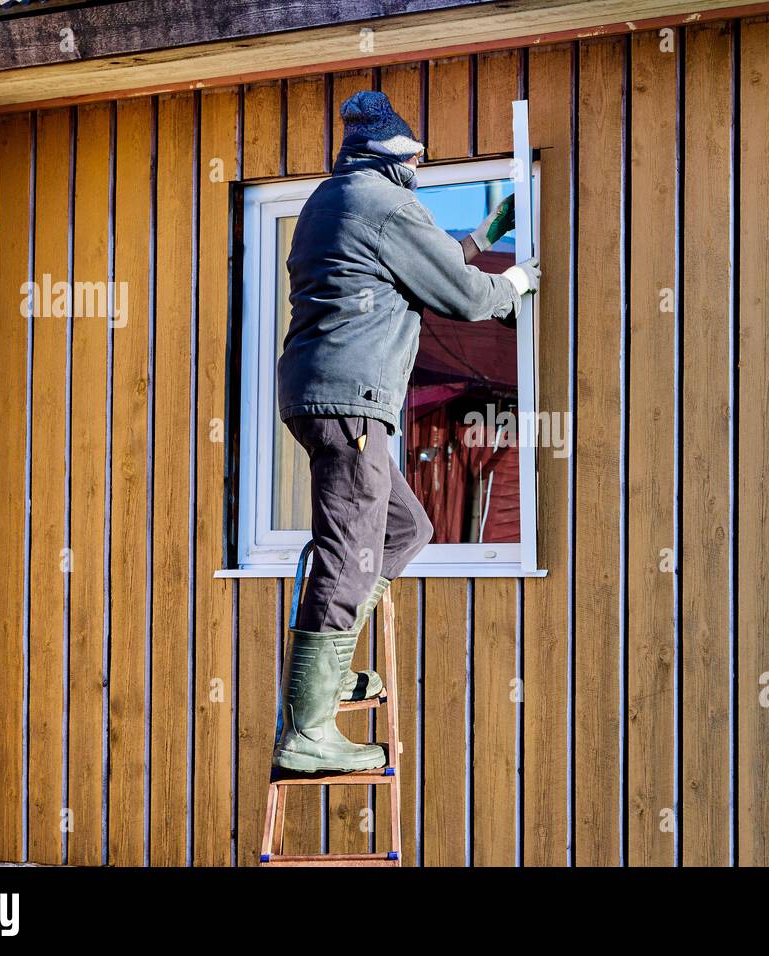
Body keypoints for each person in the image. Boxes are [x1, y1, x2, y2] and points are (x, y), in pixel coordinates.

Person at [273, 91, 540, 773]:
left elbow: (410, 271)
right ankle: (308, 734)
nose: (422, 165)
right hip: (353, 402)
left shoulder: (332, 202)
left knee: (402, 529)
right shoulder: (384, 202)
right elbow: (458, 294)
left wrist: (477, 241)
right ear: (396, 156)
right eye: (416, 156)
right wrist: (512, 283)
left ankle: (330, 681)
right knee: (345, 550)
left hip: (323, 396)